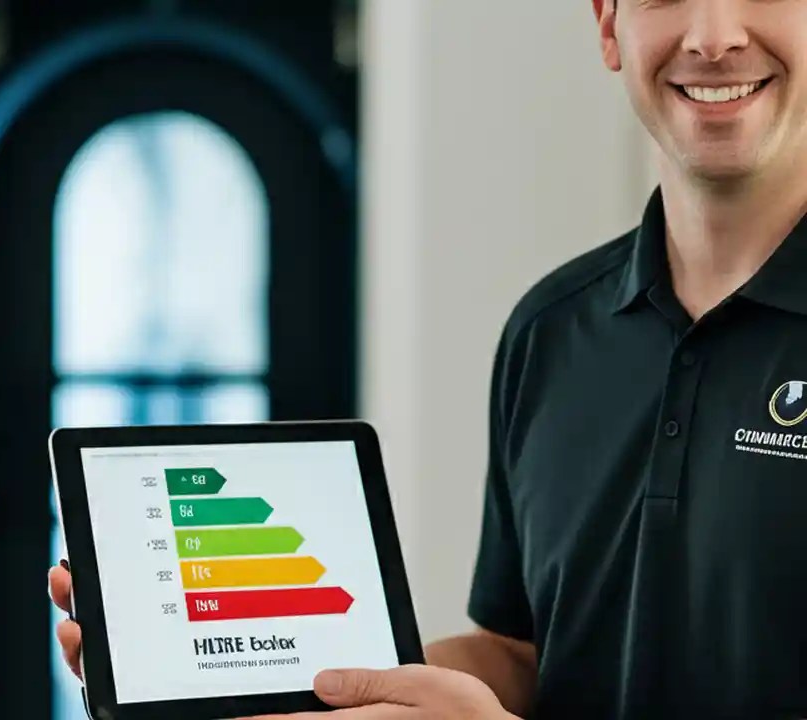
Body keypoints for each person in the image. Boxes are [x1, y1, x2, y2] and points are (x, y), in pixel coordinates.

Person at [50, 0, 807, 716]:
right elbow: (524, 652)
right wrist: (291, 681)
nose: (713, 36)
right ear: (609, 24)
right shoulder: (551, 331)